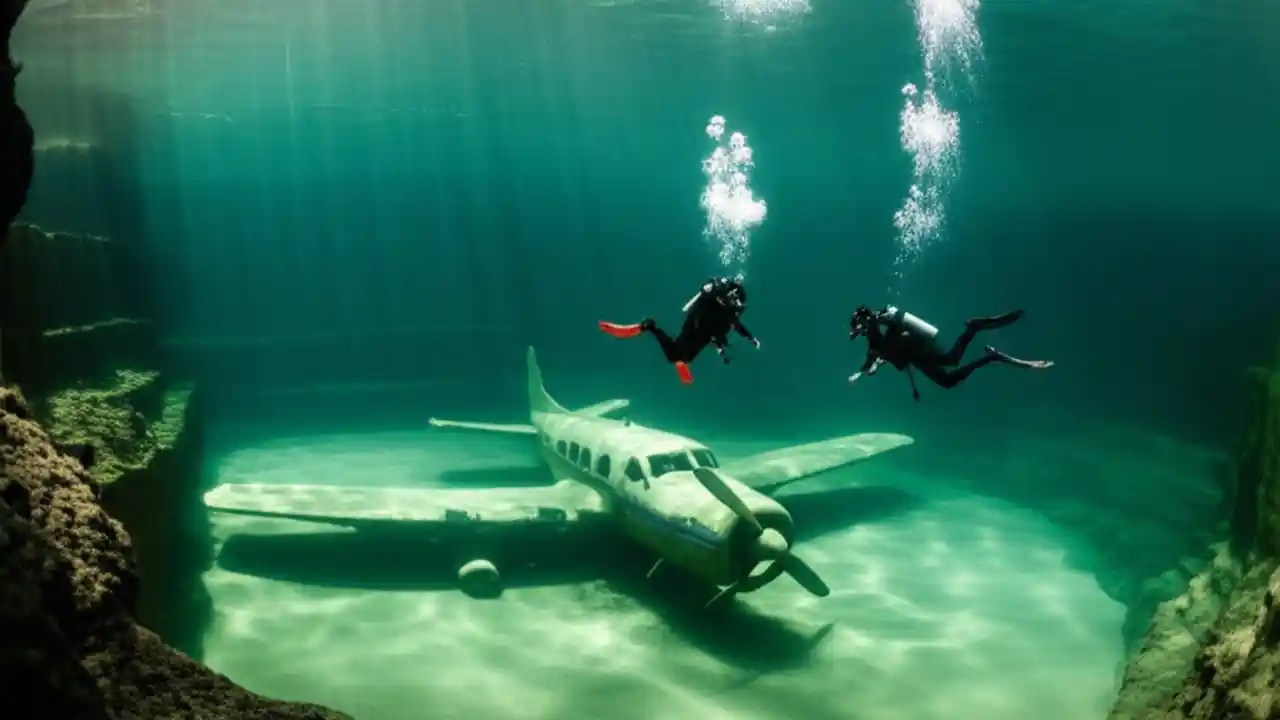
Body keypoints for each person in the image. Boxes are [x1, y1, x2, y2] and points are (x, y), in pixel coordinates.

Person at [847, 305, 1052, 400]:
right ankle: (990, 356)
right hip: (917, 358)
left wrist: (868, 365)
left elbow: (879, 345)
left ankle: (974, 329)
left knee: (952, 360)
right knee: (948, 381)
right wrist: (860, 372)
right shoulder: (873, 341)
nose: (859, 330)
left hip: (920, 352)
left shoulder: (878, 324)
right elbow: (872, 358)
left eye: (859, 325)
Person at [600, 277, 761, 384]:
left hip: (698, 329)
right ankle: (650, 326)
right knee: (679, 355)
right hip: (697, 327)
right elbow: (734, 327)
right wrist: (749, 339)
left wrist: (746, 340)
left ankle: (650, 327)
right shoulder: (726, 310)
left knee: (677, 356)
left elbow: (732, 328)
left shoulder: (728, 312)